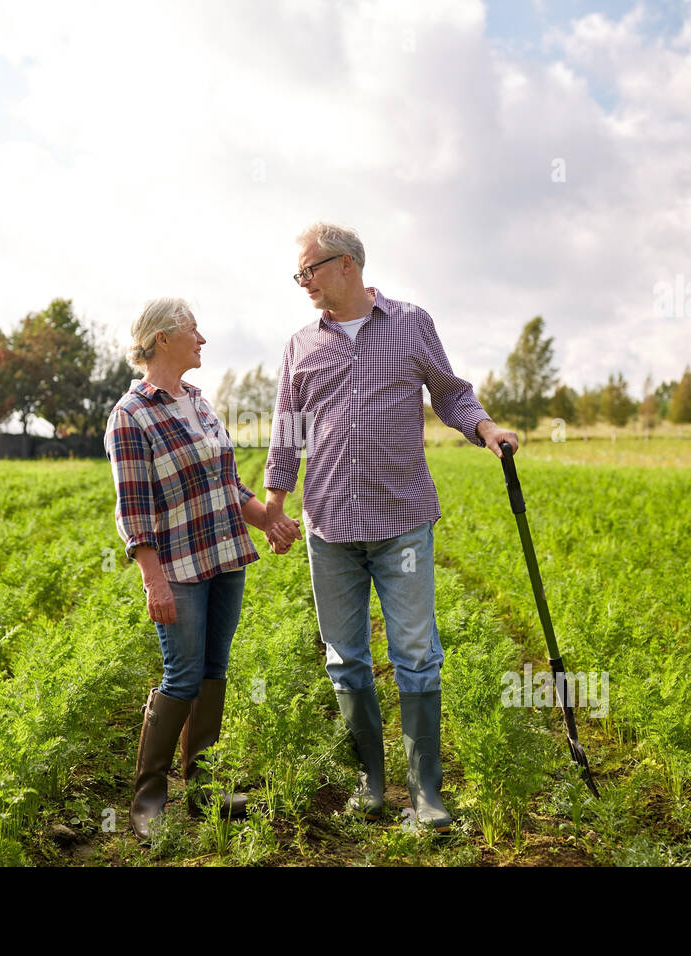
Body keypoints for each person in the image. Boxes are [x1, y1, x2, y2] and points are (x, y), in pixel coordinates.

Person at [262, 222, 519, 832]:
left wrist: (486, 430)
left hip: (401, 520)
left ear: (346, 264)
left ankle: (426, 793)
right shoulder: (301, 345)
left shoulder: (409, 323)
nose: (302, 282)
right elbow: (287, 431)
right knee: (345, 658)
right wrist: (274, 501)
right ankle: (370, 786)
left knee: (415, 656)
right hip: (328, 528)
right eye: (298, 273)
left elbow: (449, 393)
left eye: (309, 270)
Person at [104, 297, 271, 841]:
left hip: (225, 556)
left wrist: (266, 520)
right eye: (194, 331)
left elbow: (226, 484)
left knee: (212, 672)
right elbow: (133, 510)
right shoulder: (130, 415)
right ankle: (147, 802)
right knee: (181, 676)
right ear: (162, 340)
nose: (203, 340)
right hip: (177, 565)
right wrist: (153, 579)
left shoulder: (197, 401)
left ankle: (203, 790)